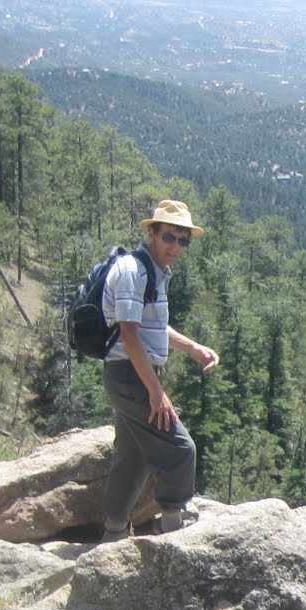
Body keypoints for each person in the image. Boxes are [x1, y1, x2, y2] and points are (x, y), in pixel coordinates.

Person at [99, 199, 220, 540]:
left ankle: (114, 532)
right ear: (152, 233)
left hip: (132, 372)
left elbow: (149, 327)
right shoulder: (132, 272)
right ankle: (171, 528)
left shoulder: (153, 273)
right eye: (169, 237)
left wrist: (192, 348)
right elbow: (129, 332)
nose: (176, 247)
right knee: (182, 450)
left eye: (184, 240)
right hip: (130, 375)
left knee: (133, 456)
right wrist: (156, 392)